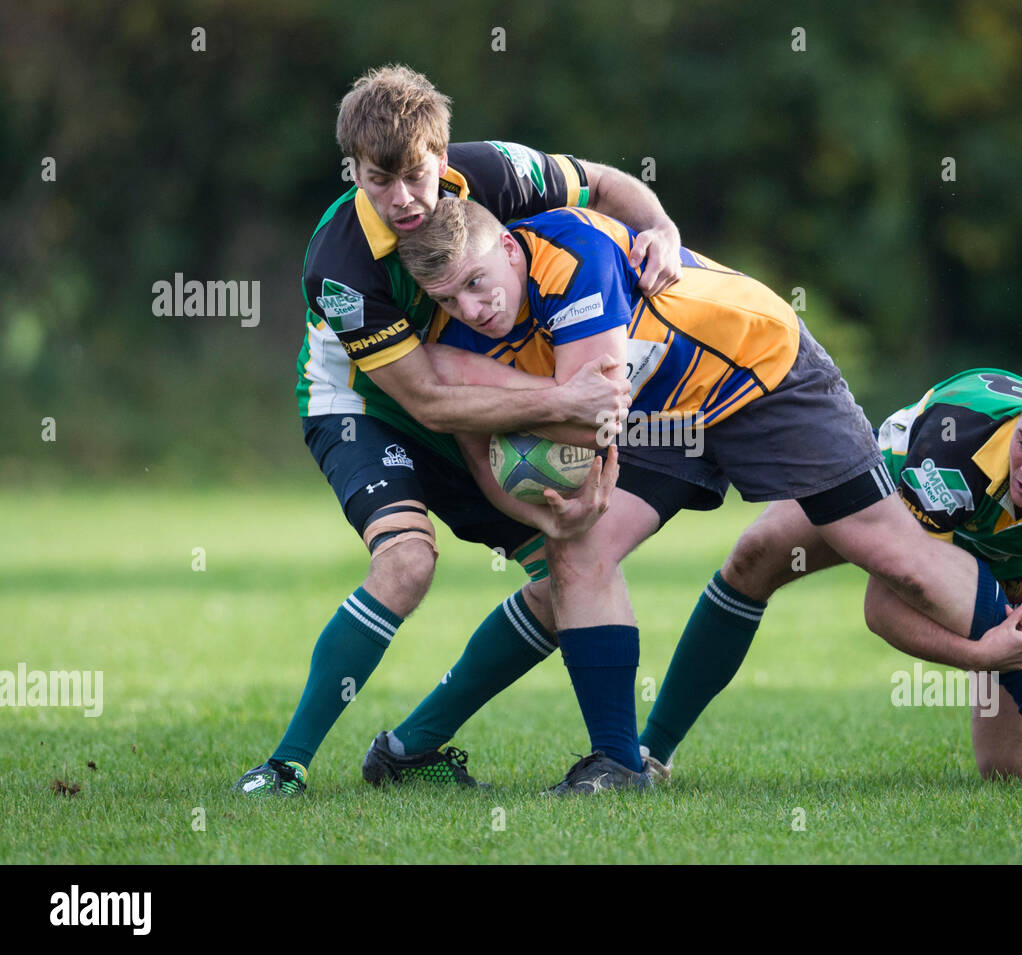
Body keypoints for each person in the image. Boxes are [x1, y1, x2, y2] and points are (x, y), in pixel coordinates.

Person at [396, 200, 1022, 793]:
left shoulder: (572, 255)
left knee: (894, 555)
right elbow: (473, 426)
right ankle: (618, 762)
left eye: (478, 284)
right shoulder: (459, 314)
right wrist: (528, 501)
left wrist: (468, 386)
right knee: (577, 556)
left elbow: (590, 410)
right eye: (450, 300)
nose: (471, 309)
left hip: (762, 368)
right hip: (663, 413)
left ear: (510, 249)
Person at [235, 63, 686, 797]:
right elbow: (429, 402)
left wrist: (661, 228)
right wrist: (564, 398)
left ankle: (435, 752)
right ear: (353, 171)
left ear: (442, 156)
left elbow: (604, 184)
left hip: (462, 394)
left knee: (573, 564)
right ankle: (286, 765)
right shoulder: (341, 265)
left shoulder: (494, 172)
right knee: (407, 561)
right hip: (357, 406)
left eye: (416, 175)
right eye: (379, 181)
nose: (404, 199)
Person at [639, 367, 1022, 787]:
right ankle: (651, 754)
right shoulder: (957, 444)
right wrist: (981, 657)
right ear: (1021, 419)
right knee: (755, 553)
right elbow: (883, 608)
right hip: (885, 495)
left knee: (1007, 769)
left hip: (1018, 563)